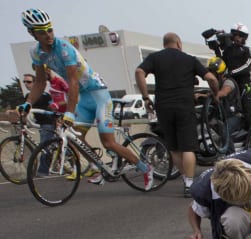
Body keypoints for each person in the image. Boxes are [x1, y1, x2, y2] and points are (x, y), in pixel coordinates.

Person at [18, 8, 155, 190]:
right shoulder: (36, 53)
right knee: (77, 139)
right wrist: (28, 102)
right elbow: (40, 82)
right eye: (42, 32)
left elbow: (73, 83)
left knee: (108, 142)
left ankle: (146, 168)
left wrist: (69, 113)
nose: (48, 35)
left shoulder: (64, 48)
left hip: (99, 96)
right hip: (84, 99)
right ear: (32, 33)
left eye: (50, 30)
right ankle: (100, 167)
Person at [136, 32, 219, 198]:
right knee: (188, 147)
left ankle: (184, 178)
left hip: (163, 106)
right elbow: (211, 78)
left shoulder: (155, 58)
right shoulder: (189, 59)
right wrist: (215, 94)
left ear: (164, 43)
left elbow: (139, 72)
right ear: (179, 43)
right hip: (184, 105)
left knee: (174, 147)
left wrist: (145, 97)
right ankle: (189, 184)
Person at [21, 72, 59, 176]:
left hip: (48, 123)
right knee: (46, 146)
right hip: (41, 123)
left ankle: (43, 171)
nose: (25, 84)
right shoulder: (28, 96)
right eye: (24, 82)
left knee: (44, 146)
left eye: (28, 82)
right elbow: (25, 108)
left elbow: (53, 107)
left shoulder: (44, 95)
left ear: (35, 83)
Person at [206, 56, 244, 136]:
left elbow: (223, 92)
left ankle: (229, 149)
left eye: (212, 72)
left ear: (219, 73)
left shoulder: (228, 82)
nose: (211, 74)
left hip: (234, 117)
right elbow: (210, 95)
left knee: (224, 131)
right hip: (222, 117)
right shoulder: (216, 85)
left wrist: (215, 94)